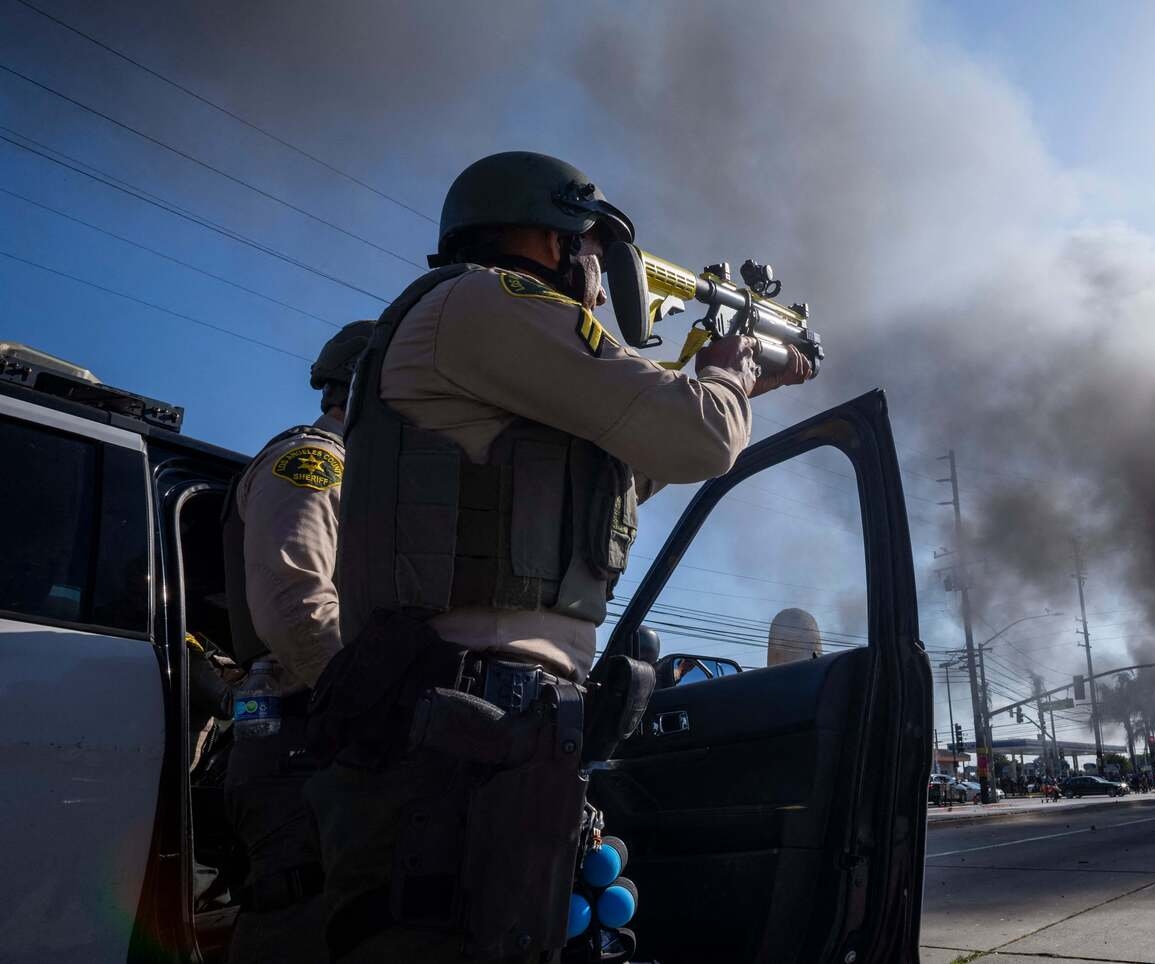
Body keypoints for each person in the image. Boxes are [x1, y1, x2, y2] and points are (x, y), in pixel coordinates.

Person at [306, 152, 810, 962]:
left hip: (489, 729)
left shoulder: (479, 330)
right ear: (552, 238)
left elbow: (607, 483)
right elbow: (698, 436)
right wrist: (722, 378)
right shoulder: (487, 300)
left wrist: (736, 385)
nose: (603, 288)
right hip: (462, 725)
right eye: (595, 259)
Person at [220, 321, 372, 963]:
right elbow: (296, 606)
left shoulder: (367, 479)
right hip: (298, 741)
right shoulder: (315, 461)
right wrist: (389, 707)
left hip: (322, 741)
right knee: (298, 921)